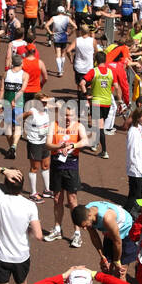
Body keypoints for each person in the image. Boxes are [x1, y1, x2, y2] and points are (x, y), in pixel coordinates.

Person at [43, 100, 89, 244]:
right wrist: (59, 145)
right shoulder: (54, 125)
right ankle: (57, 229)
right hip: (56, 165)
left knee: (72, 200)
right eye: (66, 115)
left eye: (71, 116)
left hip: (71, 166)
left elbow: (85, 141)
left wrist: (72, 146)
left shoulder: (78, 126)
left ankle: (77, 233)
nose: (68, 119)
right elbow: (48, 144)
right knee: (57, 199)